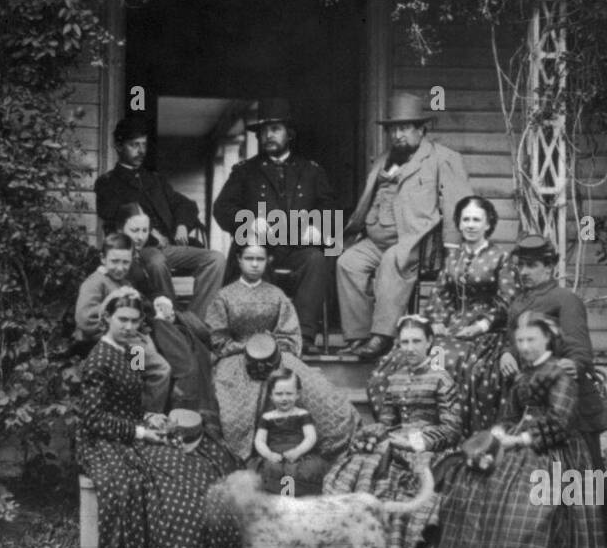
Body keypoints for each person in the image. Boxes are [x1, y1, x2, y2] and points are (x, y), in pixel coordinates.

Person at [421, 312, 607, 548]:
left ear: (547, 340)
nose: (524, 346)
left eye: (531, 340)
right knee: (469, 481)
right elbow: (508, 414)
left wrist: (521, 439)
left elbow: (561, 422)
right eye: (520, 341)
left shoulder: (559, 374)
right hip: (516, 443)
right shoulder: (522, 376)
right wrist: (497, 436)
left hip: (553, 451)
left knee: (529, 508)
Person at [74, 288, 241, 548]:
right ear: (107, 319)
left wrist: (149, 417)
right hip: (103, 442)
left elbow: (136, 395)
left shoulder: (132, 350)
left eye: (135, 321)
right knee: (152, 488)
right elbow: (93, 419)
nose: (129, 326)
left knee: (204, 463)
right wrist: (139, 432)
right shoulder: (98, 360)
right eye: (122, 320)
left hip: (132, 429)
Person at [337, 91, 473, 362]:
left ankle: (382, 337)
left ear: (421, 129)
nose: (398, 134)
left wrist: (451, 249)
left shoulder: (442, 158)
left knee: (391, 260)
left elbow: (457, 204)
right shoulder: (382, 160)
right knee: (347, 261)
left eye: (404, 128)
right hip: (376, 239)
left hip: (417, 241)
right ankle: (358, 336)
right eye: (393, 129)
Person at [324, 315, 463, 548]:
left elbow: (452, 429)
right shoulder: (395, 379)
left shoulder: (441, 379)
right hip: (395, 443)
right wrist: (376, 433)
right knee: (355, 469)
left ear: (430, 342)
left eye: (416, 342)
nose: (410, 348)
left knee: (405, 488)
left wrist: (415, 441)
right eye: (404, 342)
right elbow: (387, 421)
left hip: (429, 448)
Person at [500, 233, 607, 545]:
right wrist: (507, 354)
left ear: (549, 267)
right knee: (549, 474)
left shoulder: (565, 299)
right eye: (521, 266)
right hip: (536, 401)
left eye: (533, 265)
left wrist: (570, 366)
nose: (525, 272)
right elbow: (513, 341)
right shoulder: (518, 303)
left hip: (571, 401)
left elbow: (580, 354)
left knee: (589, 473)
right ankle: (559, 540)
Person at [206, 242, 358, 462]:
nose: (255, 264)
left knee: (319, 393)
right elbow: (217, 339)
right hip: (235, 358)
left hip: (276, 355)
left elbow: (290, 334)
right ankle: (244, 455)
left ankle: (327, 444)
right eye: (249, 259)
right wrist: (247, 347)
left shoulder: (277, 294)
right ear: (239, 260)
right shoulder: (224, 296)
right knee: (234, 405)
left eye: (260, 259)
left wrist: (272, 348)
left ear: (268, 261)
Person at [212, 97, 338, 347]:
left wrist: (318, 227)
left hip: (297, 250)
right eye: (263, 131)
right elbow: (222, 208)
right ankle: (261, 337)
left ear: (289, 133)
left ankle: (302, 337)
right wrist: (247, 224)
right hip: (259, 248)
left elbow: (330, 207)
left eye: (275, 129)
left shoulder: (311, 171)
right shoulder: (244, 171)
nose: (268, 135)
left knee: (317, 259)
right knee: (255, 258)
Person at [94, 115, 224, 318]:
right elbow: (112, 217)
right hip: (139, 248)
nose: (141, 151)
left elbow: (184, 204)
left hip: (169, 246)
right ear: (119, 146)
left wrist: (182, 225)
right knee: (156, 261)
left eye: (143, 145)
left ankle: (195, 320)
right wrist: (149, 232)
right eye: (134, 145)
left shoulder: (154, 180)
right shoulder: (108, 183)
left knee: (215, 259)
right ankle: (170, 318)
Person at [114, 204, 219, 427]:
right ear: (120, 229)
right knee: (144, 369)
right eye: (134, 231)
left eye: (144, 231)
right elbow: (115, 296)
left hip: (147, 326)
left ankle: (192, 417)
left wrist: (160, 300)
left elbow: (148, 289)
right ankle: (142, 420)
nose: (141, 237)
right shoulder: (116, 259)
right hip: (128, 336)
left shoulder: (137, 257)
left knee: (194, 348)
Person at [421, 194, 516, 433]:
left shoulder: (501, 257)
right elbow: (440, 293)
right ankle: (427, 423)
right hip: (452, 327)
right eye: (466, 220)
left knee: (450, 360)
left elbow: (508, 299)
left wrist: (482, 325)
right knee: (420, 355)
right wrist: (437, 321)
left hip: (486, 331)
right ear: (459, 223)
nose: (471, 225)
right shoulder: (453, 257)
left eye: (476, 219)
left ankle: (456, 428)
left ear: (488, 224)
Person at [72, 232, 172, 412]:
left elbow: (137, 311)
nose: (120, 267)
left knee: (139, 373)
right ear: (103, 259)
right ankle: (149, 416)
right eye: (115, 261)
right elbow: (84, 319)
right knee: (160, 371)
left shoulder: (123, 281)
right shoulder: (95, 283)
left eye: (125, 262)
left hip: (132, 343)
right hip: (105, 346)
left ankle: (140, 415)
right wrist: (112, 298)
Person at [251, 367, 327, 496]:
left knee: (307, 470)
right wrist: (269, 455)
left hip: (299, 455)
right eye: (279, 394)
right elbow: (259, 440)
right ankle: (278, 498)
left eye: (289, 394)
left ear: (297, 394)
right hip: (275, 456)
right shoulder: (267, 417)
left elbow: (310, 437)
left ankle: (297, 497)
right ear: (271, 396)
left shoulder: (302, 414)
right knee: (270, 470)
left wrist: (298, 451)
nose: (284, 398)